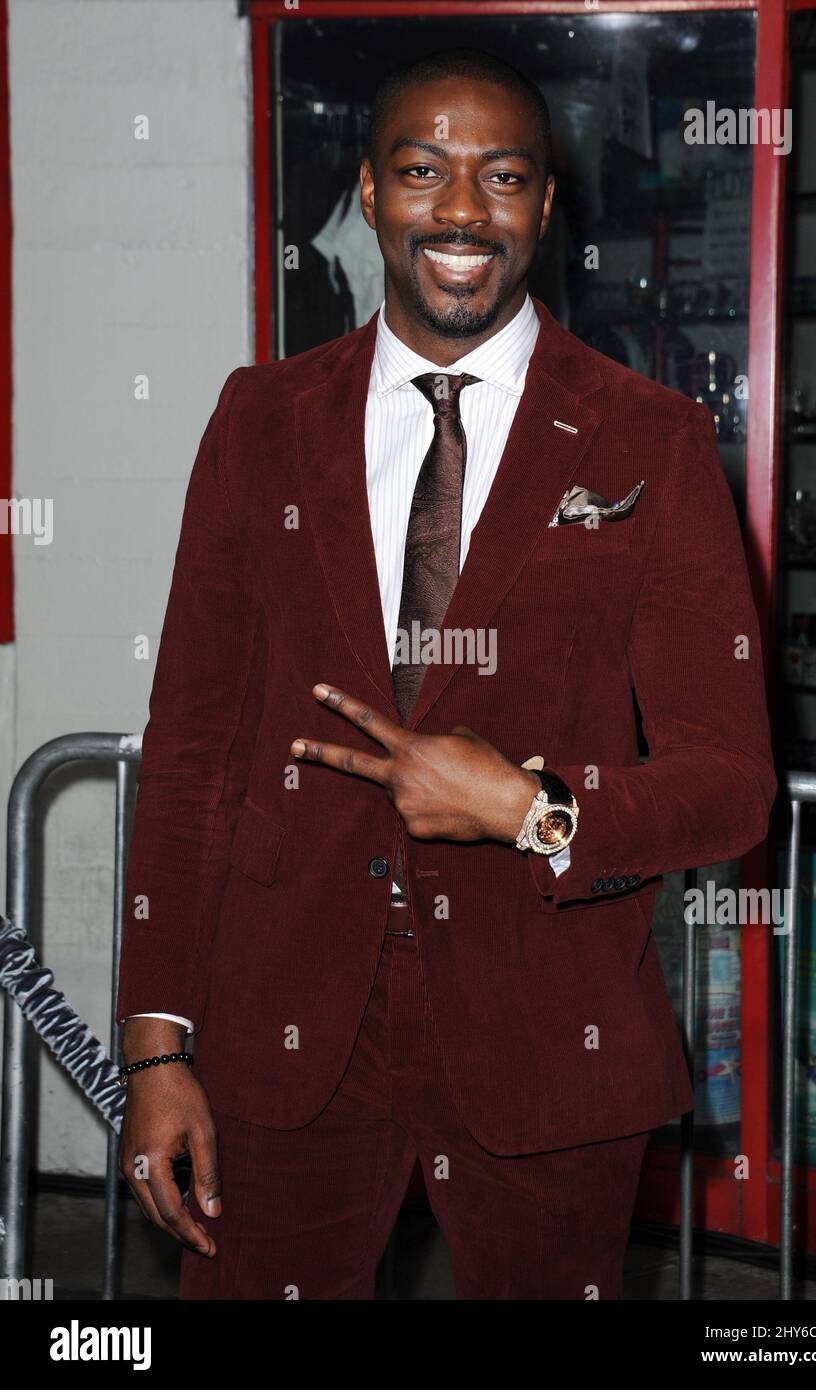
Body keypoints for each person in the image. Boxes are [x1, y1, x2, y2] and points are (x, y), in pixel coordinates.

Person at [115, 47, 777, 1300]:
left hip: (548, 1026)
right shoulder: (260, 420)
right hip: (287, 1028)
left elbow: (733, 783)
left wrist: (534, 809)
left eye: (502, 178)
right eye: (424, 171)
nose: (462, 211)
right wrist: (156, 1047)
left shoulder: (650, 439)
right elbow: (192, 750)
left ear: (541, 208)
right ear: (370, 195)